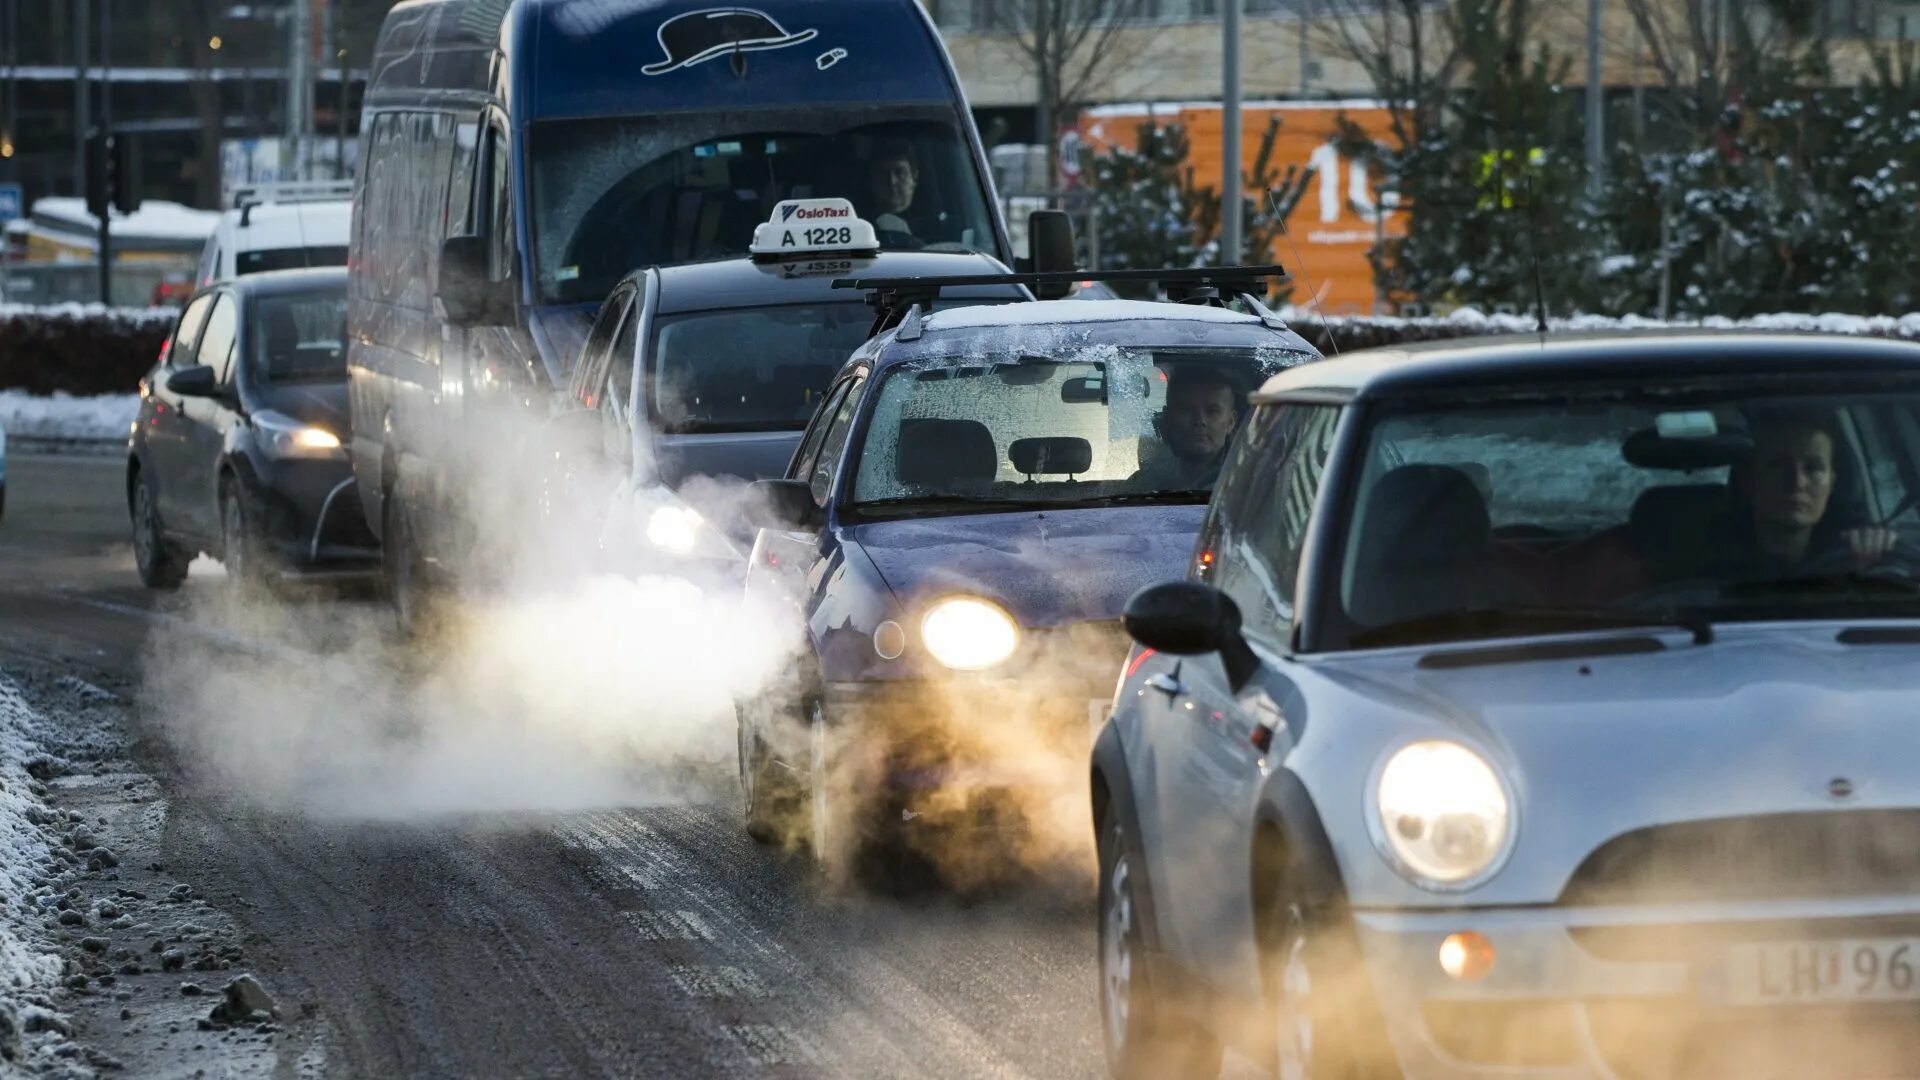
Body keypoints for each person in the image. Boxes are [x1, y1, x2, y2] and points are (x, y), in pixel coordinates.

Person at [1698, 411, 1898, 581]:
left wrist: (1872, 565)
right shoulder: (1710, 572)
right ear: (1749, 480)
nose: (1797, 482)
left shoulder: (1857, 552)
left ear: (1832, 484)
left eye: (1813, 469)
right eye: (1779, 465)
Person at [1131, 366, 1243, 490]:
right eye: (1186, 410)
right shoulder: (1142, 488)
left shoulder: (1248, 488)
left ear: (1231, 422)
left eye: (1212, 411)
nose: (1200, 420)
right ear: (1168, 417)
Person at [866, 140, 921, 240]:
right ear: (872, 179)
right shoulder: (860, 227)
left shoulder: (938, 225)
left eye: (899, 172)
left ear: (914, 176)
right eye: (884, 173)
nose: (892, 182)